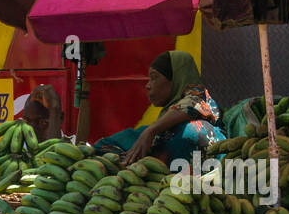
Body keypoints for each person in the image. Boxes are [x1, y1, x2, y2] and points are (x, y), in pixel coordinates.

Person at [95, 51, 224, 165]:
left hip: (199, 179)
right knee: (109, 145)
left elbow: (193, 104)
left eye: (154, 77)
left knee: (193, 130)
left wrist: (151, 131)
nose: (148, 85)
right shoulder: (162, 128)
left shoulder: (200, 96)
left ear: (175, 79)